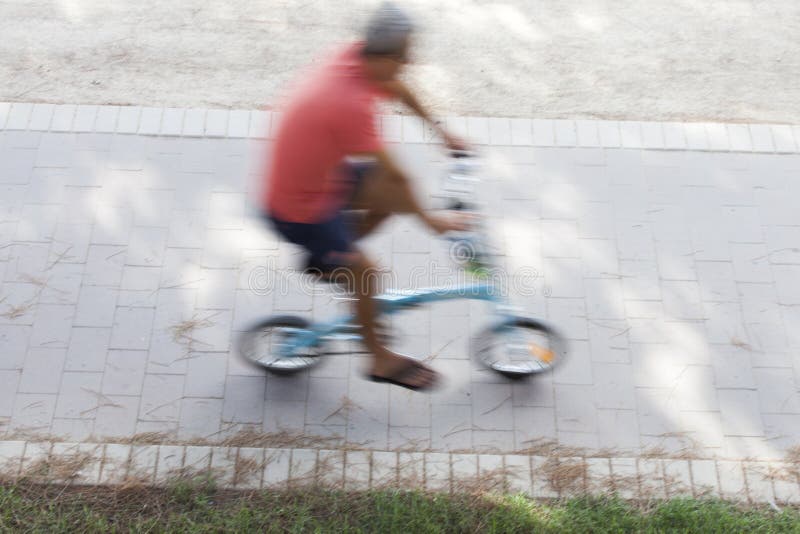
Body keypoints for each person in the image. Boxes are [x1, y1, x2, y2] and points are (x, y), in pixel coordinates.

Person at [263, 3, 468, 391]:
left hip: (319, 178)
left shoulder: (354, 58)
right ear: (383, 55)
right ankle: (379, 360)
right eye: (403, 55)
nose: (409, 61)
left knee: (387, 201)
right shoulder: (349, 104)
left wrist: (441, 132)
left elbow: (396, 87)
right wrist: (434, 222)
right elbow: (395, 176)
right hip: (298, 209)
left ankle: (326, 261)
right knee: (367, 274)